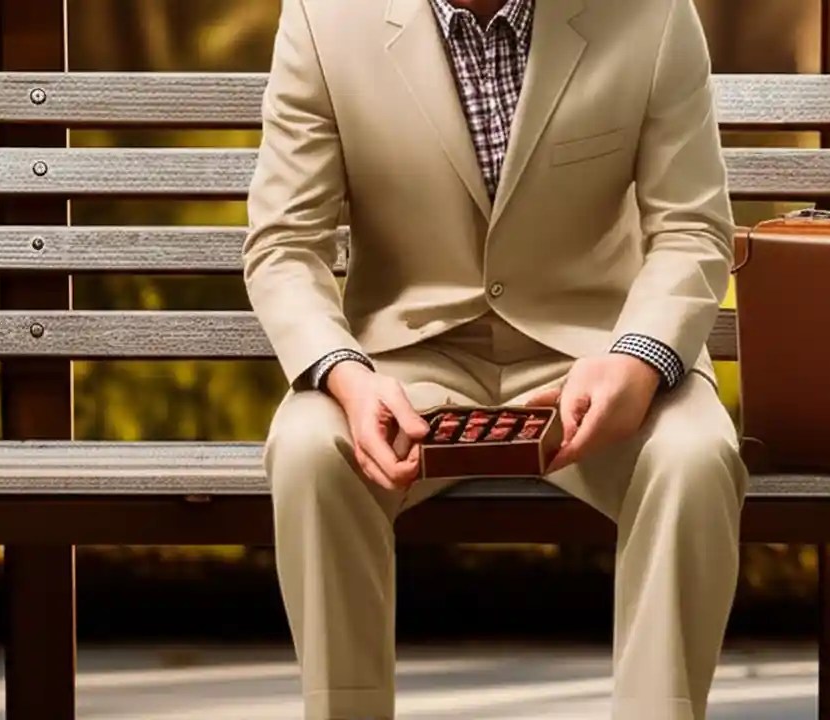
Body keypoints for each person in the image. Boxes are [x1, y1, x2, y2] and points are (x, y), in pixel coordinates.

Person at [243, 0, 746, 717]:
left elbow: (693, 229)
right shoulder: (324, 18)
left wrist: (638, 360)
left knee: (696, 457)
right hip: (404, 366)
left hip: (598, 357)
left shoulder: (652, 12)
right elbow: (285, 248)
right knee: (308, 451)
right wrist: (346, 376)